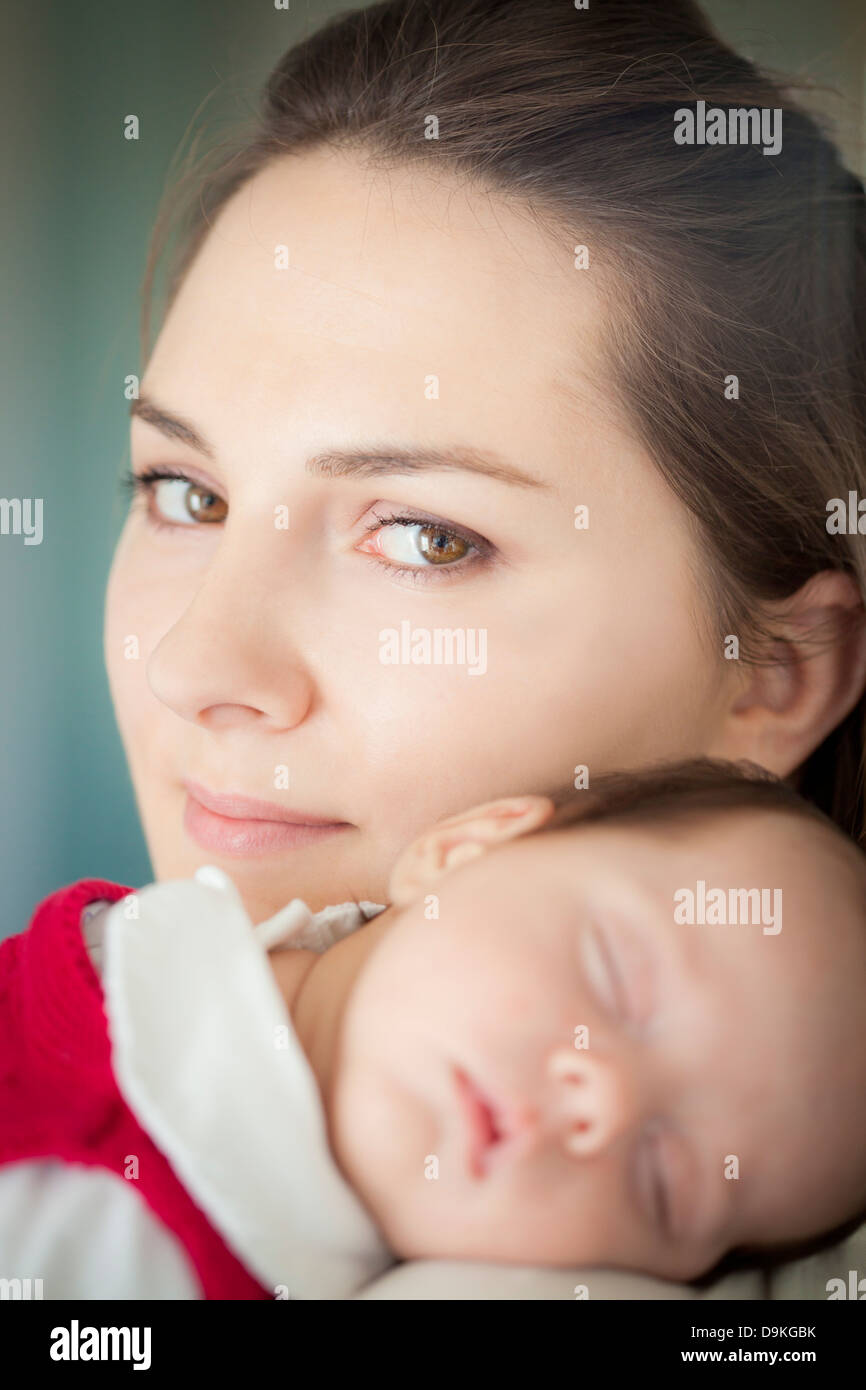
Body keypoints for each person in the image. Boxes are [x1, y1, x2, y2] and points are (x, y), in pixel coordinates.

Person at [3, 761, 865, 1297]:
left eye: (665, 1184)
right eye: (620, 980)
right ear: (466, 852)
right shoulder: (76, 991)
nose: (599, 1108)